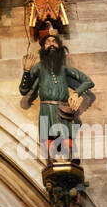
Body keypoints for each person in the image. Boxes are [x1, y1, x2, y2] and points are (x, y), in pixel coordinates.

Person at [19, 26, 94, 159]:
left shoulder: (64, 69)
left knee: (67, 138)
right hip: (46, 107)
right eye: (48, 42)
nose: (52, 44)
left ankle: (70, 157)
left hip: (63, 107)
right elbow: (24, 90)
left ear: (59, 47)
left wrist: (76, 93)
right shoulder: (39, 67)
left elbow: (88, 81)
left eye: (54, 42)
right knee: (48, 137)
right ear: (43, 48)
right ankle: (50, 159)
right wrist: (26, 71)